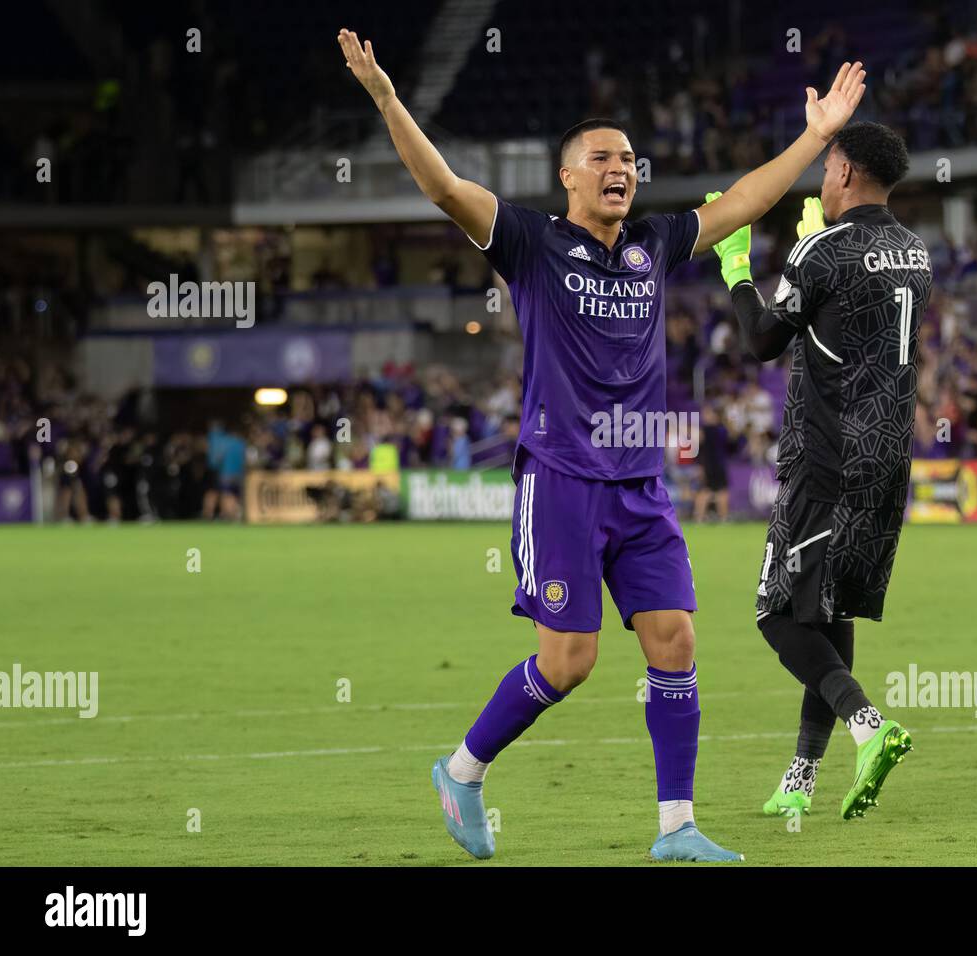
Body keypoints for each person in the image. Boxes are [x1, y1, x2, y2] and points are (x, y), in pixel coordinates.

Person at [337, 27, 867, 861]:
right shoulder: (531, 242)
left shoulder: (654, 245)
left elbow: (742, 202)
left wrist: (816, 136)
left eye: (629, 159)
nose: (622, 168)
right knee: (569, 661)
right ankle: (464, 771)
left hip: (640, 484)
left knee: (676, 640)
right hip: (562, 479)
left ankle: (676, 828)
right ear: (568, 175)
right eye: (603, 158)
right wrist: (386, 98)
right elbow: (442, 188)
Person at [706, 121, 930, 821]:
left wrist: (738, 267)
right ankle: (801, 778)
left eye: (827, 167)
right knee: (828, 611)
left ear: (845, 172)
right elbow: (839, 324)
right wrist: (808, 255)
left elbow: (766, 339)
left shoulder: (823, 250)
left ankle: (869, 727)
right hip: (888, 459)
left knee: (775, 614)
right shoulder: (915, 251)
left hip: (826, 461)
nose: (822, 180)